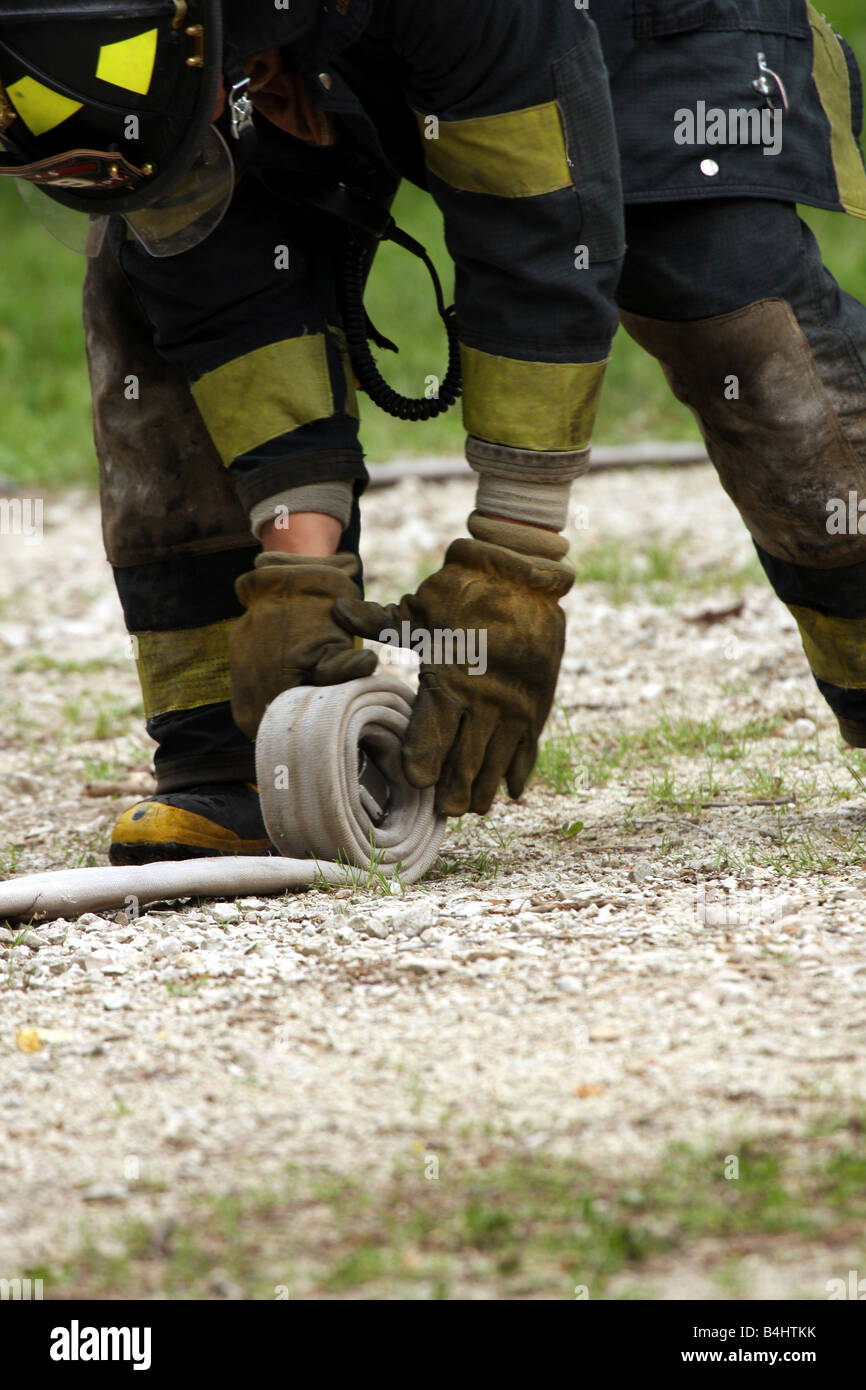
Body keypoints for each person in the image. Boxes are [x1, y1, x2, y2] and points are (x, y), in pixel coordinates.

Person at [1, 2, 864, 866]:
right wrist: (296, 568)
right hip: (265, 36)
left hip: (614, 20)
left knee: (721, 289)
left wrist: (512, 563)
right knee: (144, 264)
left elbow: (538, 230)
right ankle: (239, 758)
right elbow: (227, 280)